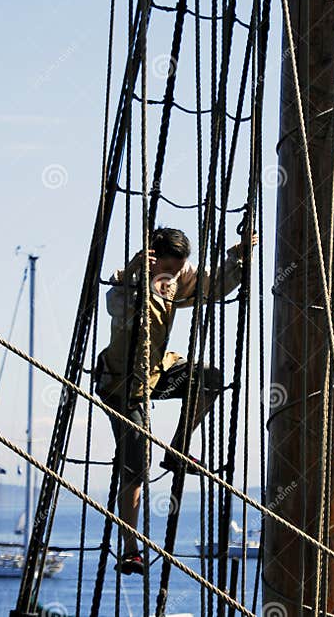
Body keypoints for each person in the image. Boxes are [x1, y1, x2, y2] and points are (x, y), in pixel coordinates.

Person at [95, 226, 257, 575]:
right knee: (135, 466)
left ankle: (178, 447)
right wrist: (135, 274)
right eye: (167, 269)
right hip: (122, 386)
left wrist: (238, 256)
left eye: (178, 269)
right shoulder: (127, 280)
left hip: (156, 373)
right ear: (151, 258)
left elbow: (213, 285)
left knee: (208, 379)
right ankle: (130, 547)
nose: (172, 278)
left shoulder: (176, 275)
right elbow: (116, 308)